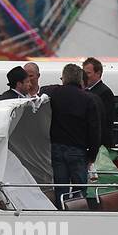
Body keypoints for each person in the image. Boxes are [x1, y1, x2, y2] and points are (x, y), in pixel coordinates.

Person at [39, 63, 101, 199]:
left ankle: (63, 211)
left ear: (64, 78)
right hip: (78, 149)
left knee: (61, 188)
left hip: (57, 147)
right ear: (80, 79)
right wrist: (92, 155)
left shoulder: (54, 93)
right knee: (80, 189)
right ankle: (78, 212)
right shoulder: (88, 99)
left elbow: (42, 89)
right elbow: (94, 130)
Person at [82, 57, 116, 152]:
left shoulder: (105, 92)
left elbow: (104, 121)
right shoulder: (84, 91)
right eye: (84, 73)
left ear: (98, 73)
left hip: (100, 145)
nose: (85, 76)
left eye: (88, 73)